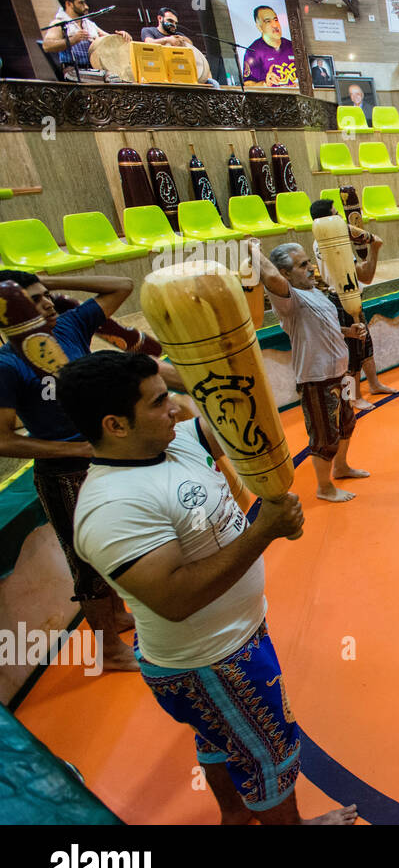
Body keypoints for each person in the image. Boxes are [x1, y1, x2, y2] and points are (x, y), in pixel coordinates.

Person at [61, 351, 357, 825]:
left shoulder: (171, 441)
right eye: (159, 402)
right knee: (269, 755)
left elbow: (235, 413)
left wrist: (181, 367)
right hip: (208, 662)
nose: (175, 409)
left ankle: (235, 817)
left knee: (220, 740)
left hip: (233, 638)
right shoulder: (112, 508)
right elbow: (175, 600)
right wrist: (265, 528)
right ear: (115, 425)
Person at [0, 270, 158, 673]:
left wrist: (50, 277)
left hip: (104, 459)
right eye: (34, 301)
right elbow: (2, 439)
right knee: (86, 563)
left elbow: (122, 284)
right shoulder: (6, 364)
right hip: (63, 473)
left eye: (46, 296)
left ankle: (118, 616)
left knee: (115, 546)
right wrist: (73, 448)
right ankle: (109, 651)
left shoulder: (69, 324)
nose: (47, 303)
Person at [259, 243, 368, 503]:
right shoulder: (288, 299)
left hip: (341, 373)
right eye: (302, 265)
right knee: (324, 435)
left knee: (346, 424)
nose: (310, 268)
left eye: (309, 262)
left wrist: (348, 332)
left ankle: (341, 467)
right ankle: (324, 487)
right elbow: (270, 277)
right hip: (317, 378)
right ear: (285, 273)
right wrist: (253, 250)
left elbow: (325, 325)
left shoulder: (314, 293)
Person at [308, 200, 393, 411]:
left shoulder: (319, 240)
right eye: (336, 215)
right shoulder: (335, 244)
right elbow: (366, 275)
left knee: (365, 344)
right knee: (353, 350)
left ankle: (374, 384)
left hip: (346, 296)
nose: (341, 220)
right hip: (342, 299)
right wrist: (375, 249)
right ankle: (354, 397)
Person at [42, 0, 132, 76]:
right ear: (68, 4)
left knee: (119, 77)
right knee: (110, 79)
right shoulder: (59, 24)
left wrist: (121, 36)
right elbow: (47, 46)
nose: (86, 7)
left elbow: (109, 39)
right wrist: (73, 40)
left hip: (95, 70)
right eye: (81, 3)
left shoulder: (89, 24)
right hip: (73, 71)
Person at [242, 5, 297, 89]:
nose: (275, 25)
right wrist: (265, 83)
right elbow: (248, 84)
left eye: (276, 20)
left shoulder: (292, 46)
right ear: (259, 27)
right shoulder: (253, 51)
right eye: (268, 21)